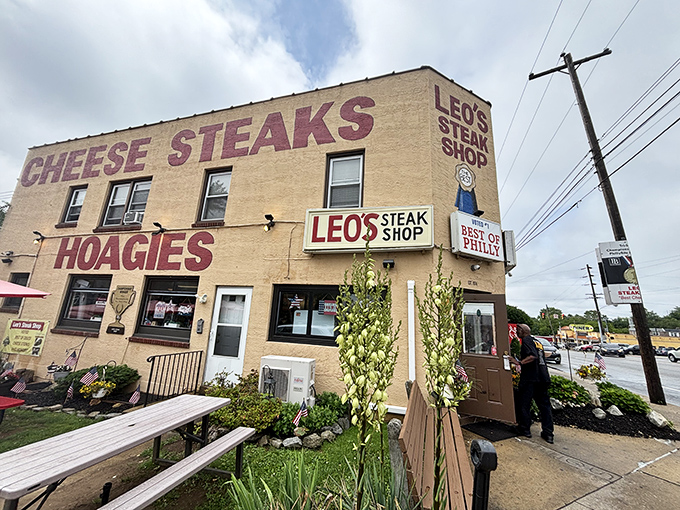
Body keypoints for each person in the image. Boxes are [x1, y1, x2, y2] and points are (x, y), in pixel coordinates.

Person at [512, 323, 554, 443]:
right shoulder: (537, 342)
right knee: (544, 406)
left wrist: (519, 362)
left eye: (517, 330)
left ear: (522, 330)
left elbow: (532, 356)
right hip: (543, 377)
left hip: (531, 378)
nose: (516, 332)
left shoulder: (526, 340)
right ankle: (548, 433)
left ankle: (524, 429)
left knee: (524, 403)